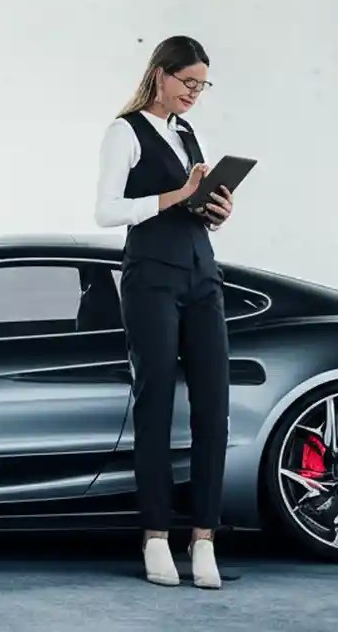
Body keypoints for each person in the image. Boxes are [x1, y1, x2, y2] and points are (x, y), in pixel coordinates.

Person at [93, 35, 234, 589]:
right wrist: (179, 195)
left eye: (202, 85)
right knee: (155, 406)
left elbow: (191, 208)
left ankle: (204, 539)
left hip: (203, 274)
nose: (195, 94)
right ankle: (155, 536)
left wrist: (215, 208)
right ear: (160, 74)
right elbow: (106, 211)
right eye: (188, 82)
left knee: (213, 410)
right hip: (151, 276)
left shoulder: (187, 132)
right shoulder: (123, 132)